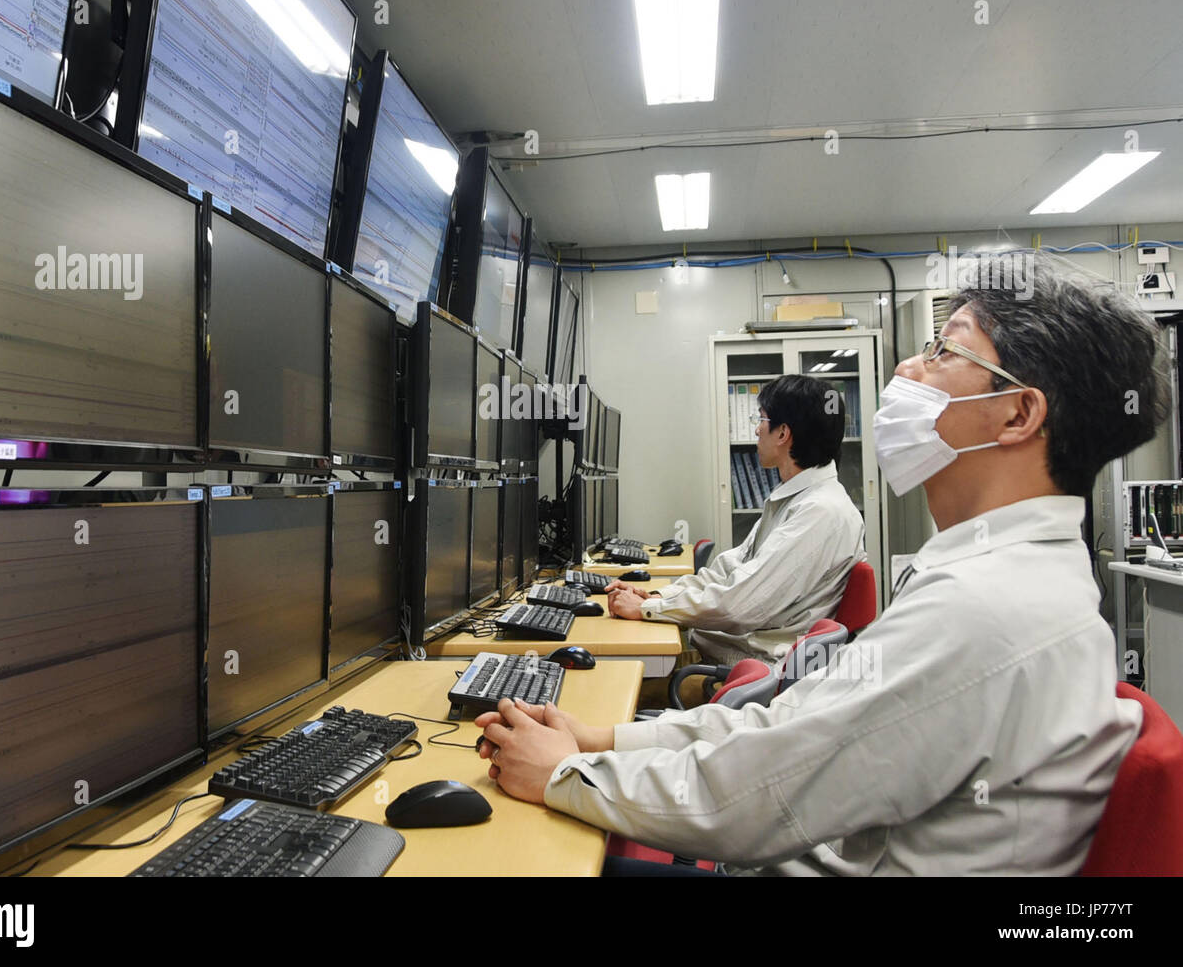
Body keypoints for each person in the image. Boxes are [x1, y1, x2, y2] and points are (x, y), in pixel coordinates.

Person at [477, 258, 1159, 875]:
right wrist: (600, 735)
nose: (904, 371)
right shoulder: (1007, 580)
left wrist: (567, 770)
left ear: (1017, 413)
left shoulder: (988, 607)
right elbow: (787, 728)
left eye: (942, 349)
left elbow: (752, 796)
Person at [605, 373, 866, 667]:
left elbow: (741, 605)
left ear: (782, 434)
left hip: (759, 674)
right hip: (734, 655)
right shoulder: (795, 498)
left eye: (762, 420)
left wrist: (649, 608)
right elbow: (729, 571)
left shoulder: (821, 512)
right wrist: (656, 594)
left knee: (621, 673)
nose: (757, 430)